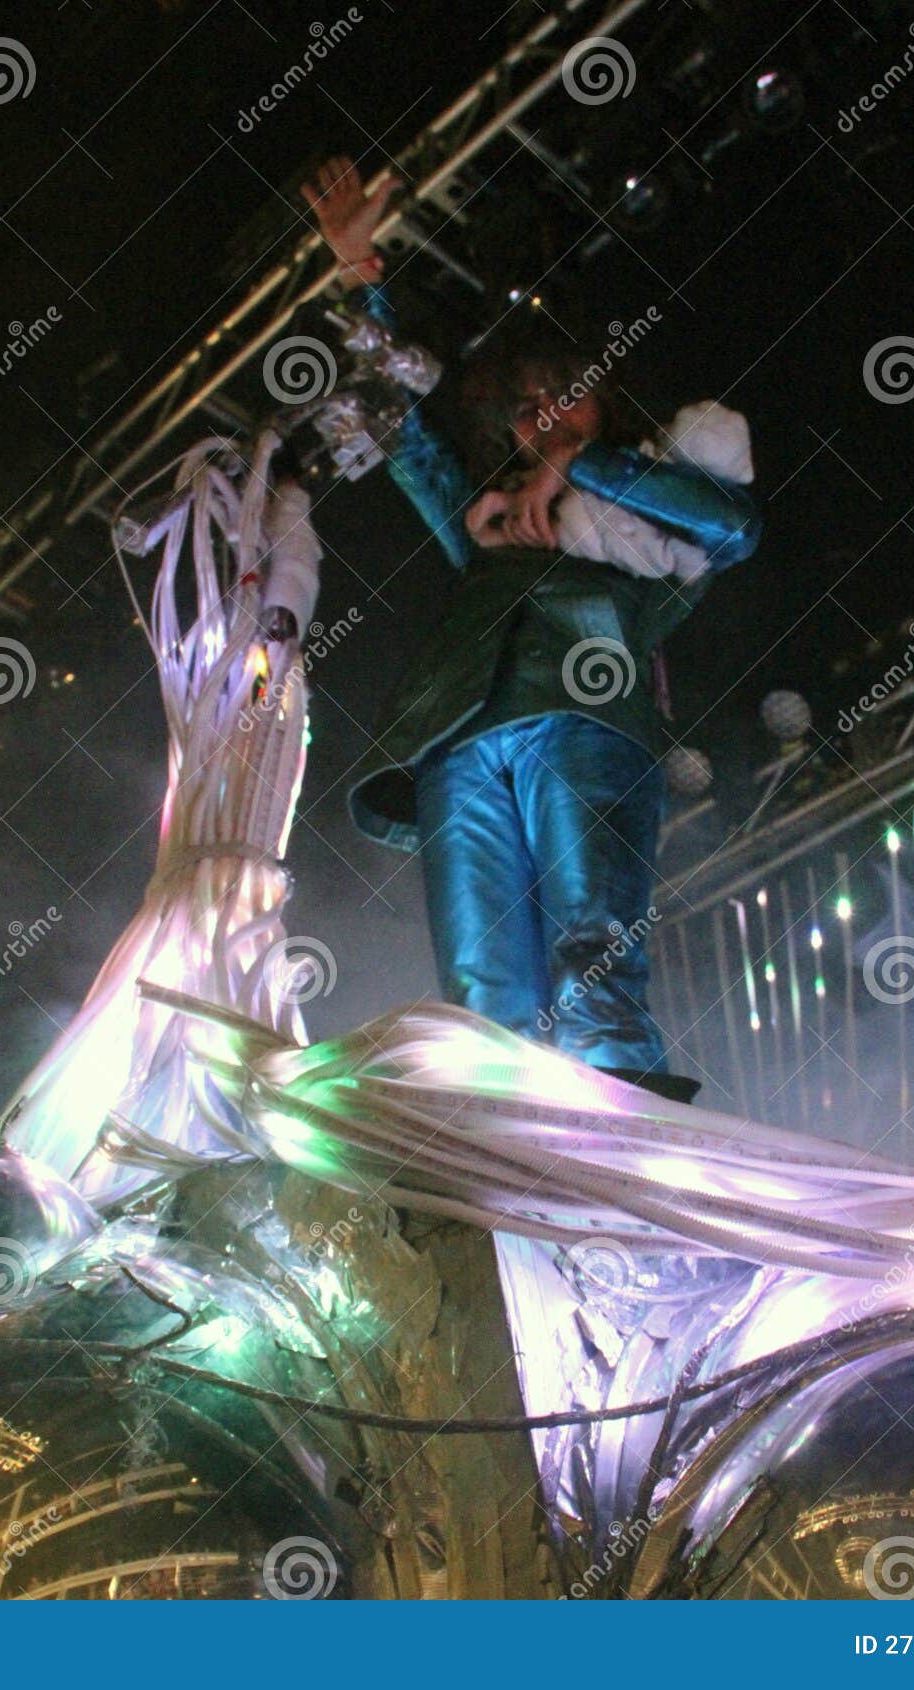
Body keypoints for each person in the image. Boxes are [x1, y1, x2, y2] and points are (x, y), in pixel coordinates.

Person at [303, 157, 763, 1104]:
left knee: (590, 947)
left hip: (585, 717)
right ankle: (503, 1176)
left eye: (566, 394)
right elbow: (408, 439)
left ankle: (628, 1162)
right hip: (453, 739)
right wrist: (363, 280)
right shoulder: (490, 521)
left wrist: (580, 465)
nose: (541, 414)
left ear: (604, 404)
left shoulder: (643, 522)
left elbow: (737, 525)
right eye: (525, 406)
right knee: (478, 995)